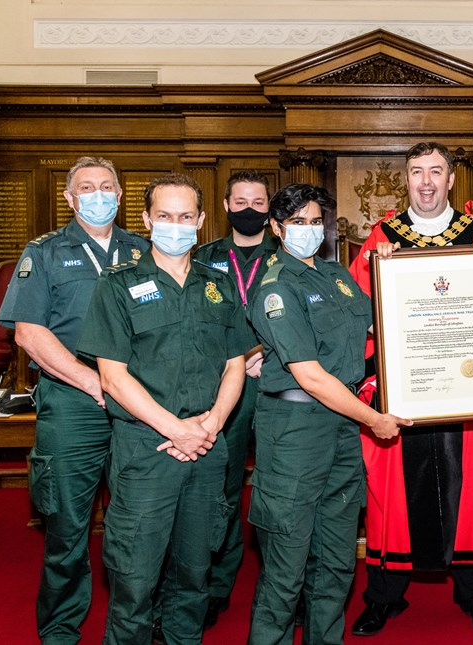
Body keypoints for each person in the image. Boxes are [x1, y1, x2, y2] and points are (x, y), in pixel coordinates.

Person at [76, 173, 251, 644]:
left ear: (201, 220)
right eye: (166, 216)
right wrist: (177, 430)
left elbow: (235, 363)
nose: (177, 225)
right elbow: (113, 377)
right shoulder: (118, 285)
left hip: (208, 447)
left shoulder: (218, 284)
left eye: (186, 216)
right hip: (146, 448)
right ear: (147, 220)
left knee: (194, 578)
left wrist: (212, 424)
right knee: (134, 580)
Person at [348, 142, 473, 637]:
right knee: (392, 494)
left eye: (435, 171)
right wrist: (381, 274)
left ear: (451, 179)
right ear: (407, 179)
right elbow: (356, 313)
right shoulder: (383, 238)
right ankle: (383, 597)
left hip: (467, 391)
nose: (425, 181)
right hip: (406, 389)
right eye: (416, 171)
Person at [246, 183, 410, 645]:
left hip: (341, 426)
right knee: (286, 570)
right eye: (297, 222)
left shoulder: (335, 274)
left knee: (336, 564)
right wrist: (373, 420)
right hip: (295, 433)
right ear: (277, 228)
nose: (309, 230)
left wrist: (397, 274)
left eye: (316, 221)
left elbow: (379, 324)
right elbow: (310, 376)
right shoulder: (276, 286)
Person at [0, 156, 150, 644]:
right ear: (69, 197)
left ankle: (132, 627)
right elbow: (29, 333)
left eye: (107, 186)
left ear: (121, 195)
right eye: (86, 187)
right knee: (66, 527)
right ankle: (61, 629)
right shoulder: (43, 252)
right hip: (72, 401)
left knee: (139, 522)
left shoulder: (144, 250)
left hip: (138, 403)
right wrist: (93, 383)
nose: (98, 194)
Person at [192, 169, 279, 628]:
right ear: (225, 206)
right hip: (223, 388)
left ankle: (281, 584)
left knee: (279, 488)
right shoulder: (203, 258)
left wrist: (266, 350)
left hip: (276, 381)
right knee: (221, 489)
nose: (249, 210)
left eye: (258, 203)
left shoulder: (287, 254)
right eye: (240, 202)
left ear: (269, 209)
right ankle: (216, 584)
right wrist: (234, 359)